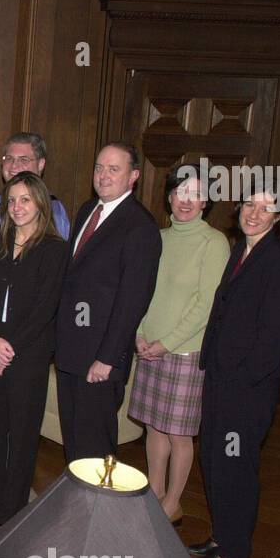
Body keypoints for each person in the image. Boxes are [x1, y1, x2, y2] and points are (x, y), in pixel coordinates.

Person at [190, 191, 280, 558]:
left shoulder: (279, 262)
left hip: (246, 390)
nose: (254, 214)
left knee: (236, 466)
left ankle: (234, 551)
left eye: (265, 208)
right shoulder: (241, 250)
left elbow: (273, 338)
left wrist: (240, 383)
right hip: (220, 377)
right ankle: (221, 537)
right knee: (215, 461)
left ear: (279, 216)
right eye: (249, 205)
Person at [127, 166, 228, 524]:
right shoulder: (158, 237)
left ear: (206, 201)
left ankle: (173, 502)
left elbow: (206, 305)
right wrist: (138, 332)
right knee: (154, 426)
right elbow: (142, 290)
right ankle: (154, 492)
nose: (186, 201)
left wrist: (167, 343)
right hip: (149, 345)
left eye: (195, 194)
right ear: (169, 196)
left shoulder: (213, 242)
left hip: (185, 351)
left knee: (179, 432)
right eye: (180, 192)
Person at [0, 173, 69, 527]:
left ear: (40, 203)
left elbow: (46, 307)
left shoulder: (54, 248)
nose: (17, 207)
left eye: (26, 199)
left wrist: (8, 349)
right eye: (12, 200)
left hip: (28, 353)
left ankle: (10, 510)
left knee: (23, 432)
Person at [54, 142, 162, 460]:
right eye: (99, 167)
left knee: (95, 447)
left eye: (114, 169)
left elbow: (133, 301)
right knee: (73, 442)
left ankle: (100, 509)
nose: (103, 175)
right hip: (71, 351)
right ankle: (77, 507)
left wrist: (108, 358)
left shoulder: (140, 227)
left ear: (134, 176)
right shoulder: (89, 210)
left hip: (100, 360)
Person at [0, 131, 71, 327]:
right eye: (9, 159)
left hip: (22, 324)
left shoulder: (53, 210)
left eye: (23, 159)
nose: (14, 166)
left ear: (41, 165)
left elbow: (52, 277)